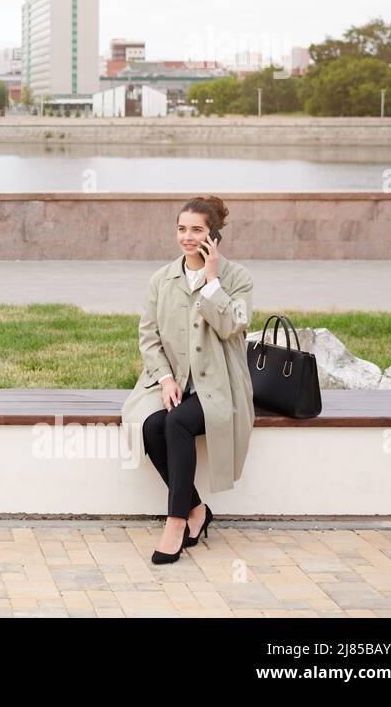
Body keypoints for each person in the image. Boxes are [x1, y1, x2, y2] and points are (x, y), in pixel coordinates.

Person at [121, 196, 254, 565]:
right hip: (172, 380)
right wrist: (164, 379)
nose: (188, 237)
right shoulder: (161, 279)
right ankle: (197, 509)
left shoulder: (238, 278)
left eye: (197, 230)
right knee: (151, 427)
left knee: (177, 422)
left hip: (220, 385)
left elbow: (231, 327)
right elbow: (148, 336)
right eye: (182, 229)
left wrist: (212, 280)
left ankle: (176, 521)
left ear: (213, 235)